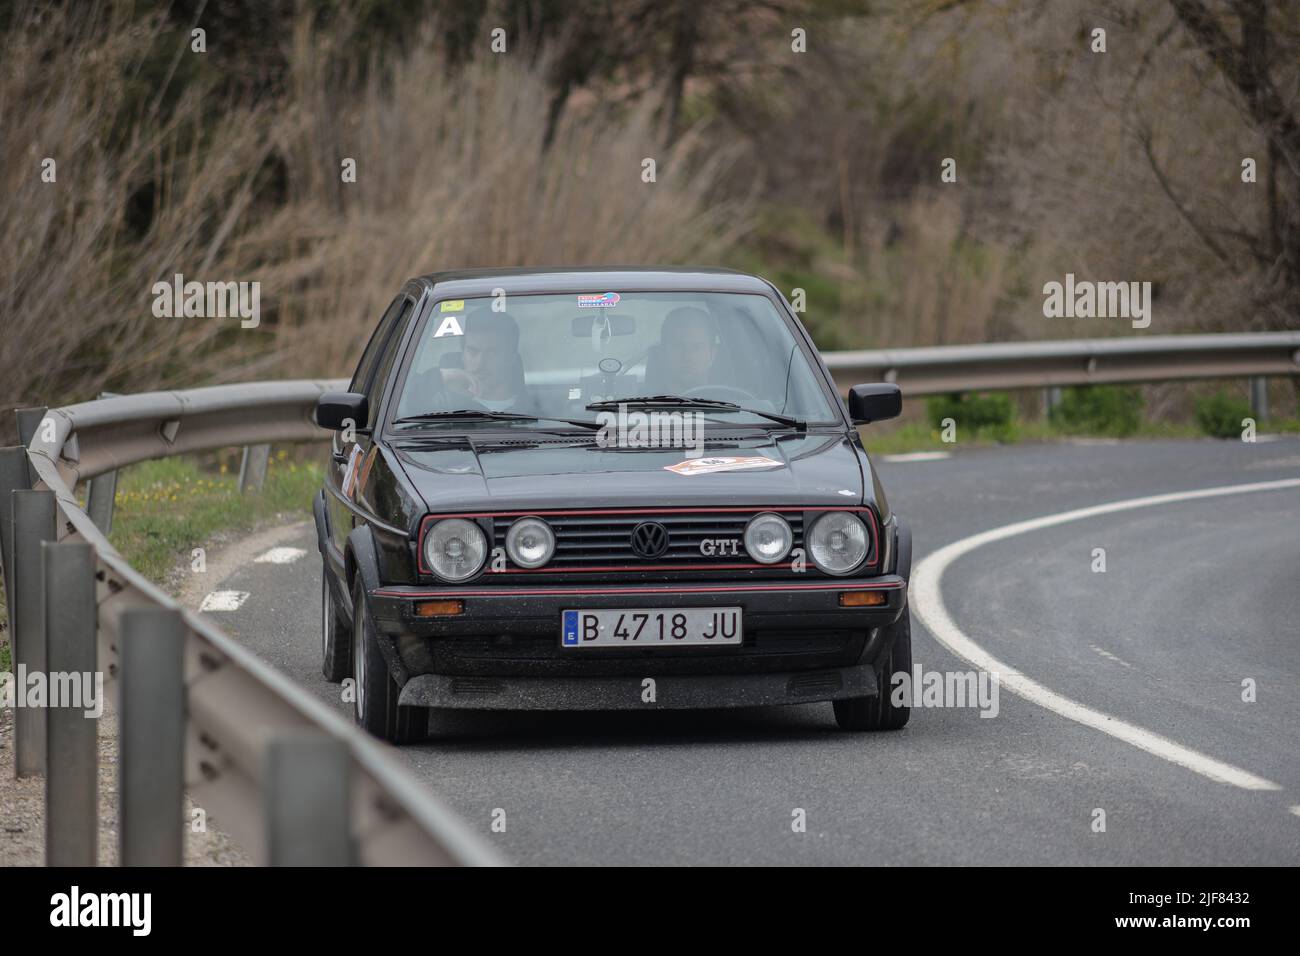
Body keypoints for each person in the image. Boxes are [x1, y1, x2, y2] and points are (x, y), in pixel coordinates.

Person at [653, 307, 719, 394]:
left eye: (696, 347)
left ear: (712, 355)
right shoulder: (638, 404)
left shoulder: (732, 405)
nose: (687, 356)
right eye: (678, 346)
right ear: (664, 352)